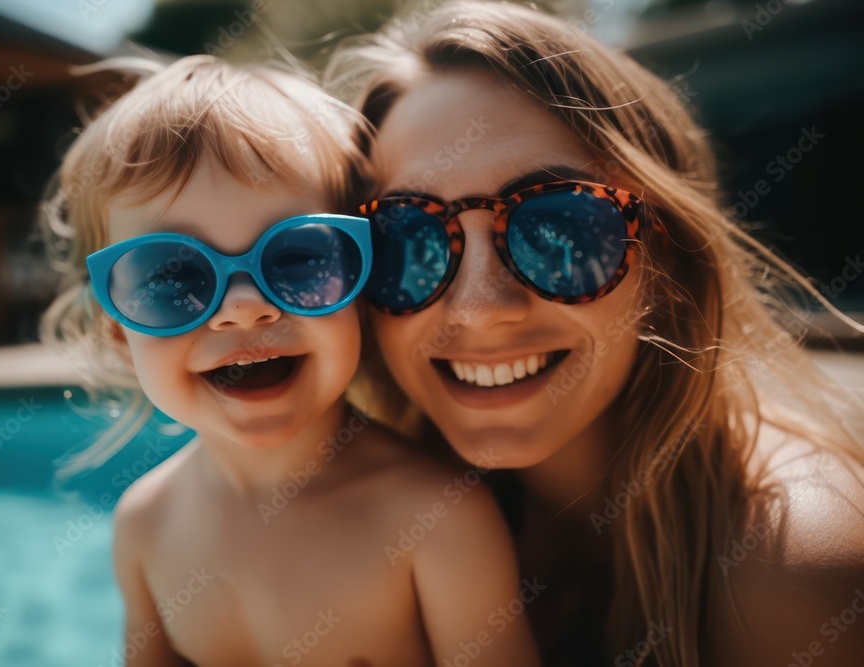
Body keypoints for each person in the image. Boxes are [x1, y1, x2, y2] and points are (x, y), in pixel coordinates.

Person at [326, 1, 864, 665]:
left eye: (561, 228)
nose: (479, 307)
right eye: (407, 238)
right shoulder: (390, 531)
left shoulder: (789, 562)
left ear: (664, 247)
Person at [39, 55, 539, 666]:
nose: (244, 310)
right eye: (173, 278)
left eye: (300, 259)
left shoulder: (436, 518)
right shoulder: (144, 527)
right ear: (119, 331)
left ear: (360, 288)